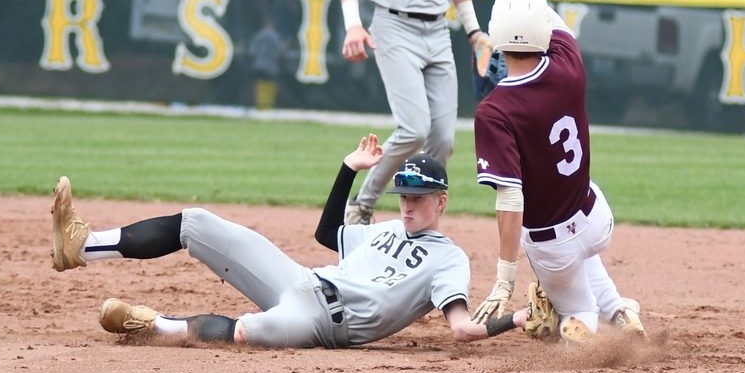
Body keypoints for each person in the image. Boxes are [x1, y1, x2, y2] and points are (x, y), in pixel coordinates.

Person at [50, 134, 528, 348]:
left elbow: (462, 329)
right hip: (301, 280)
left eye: (418, 198)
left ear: (440, 202)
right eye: (403, 194)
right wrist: (347, 169)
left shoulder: (450, 261)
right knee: (196, 223)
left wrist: (518, 318)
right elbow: (326, 235)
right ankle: (82, 245)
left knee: (246, 332)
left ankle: (152, 326)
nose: (406, 204)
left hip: (322, 323)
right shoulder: (385, 229)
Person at [469, 0, 646, 344]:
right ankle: (620, 312)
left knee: (578, 311)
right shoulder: (568, 64)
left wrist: (505, 278)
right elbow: (549, 19)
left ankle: (583, 323)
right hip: (596, 217)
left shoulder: (494, 110)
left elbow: (511, 199)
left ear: (497, 37)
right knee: (588, 258)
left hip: (553, 244)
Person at [338, 0, 488, 225]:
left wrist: (474, 30)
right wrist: (353, 25)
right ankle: (362, 205)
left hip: (437, 27)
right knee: (414, 129)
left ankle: (424, 220)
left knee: (443, 138)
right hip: (394, 25)